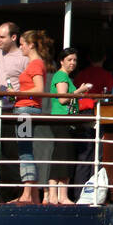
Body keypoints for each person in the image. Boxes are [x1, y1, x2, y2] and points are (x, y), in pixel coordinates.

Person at [5, 30, 55, 205]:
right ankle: (33, 195)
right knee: (28, 150)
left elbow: (39, 89)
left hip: (25, 110)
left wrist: (17, 93)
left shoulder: (34, 64)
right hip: (26, 108)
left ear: (31, 45)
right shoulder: (36, 64)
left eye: (22, 43)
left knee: (25, 150)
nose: (20, 47)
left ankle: (26, 194)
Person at [46, 47, 91, 204]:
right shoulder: (61, 76)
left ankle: (59, 195)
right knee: (62, 155)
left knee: (64, 155)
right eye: (69, 60)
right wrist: (81, 90)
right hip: (62, 120)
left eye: (75, 60)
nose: (73, 63)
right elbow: (63, 99)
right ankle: (56, 195)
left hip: (67, 121)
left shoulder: (67, 77)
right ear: (61, 61)